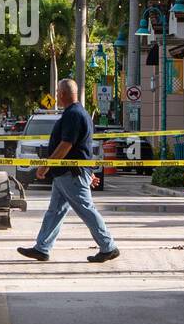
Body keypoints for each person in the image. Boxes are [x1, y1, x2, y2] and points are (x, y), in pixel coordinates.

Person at [17, 79, 119, 263]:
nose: (56, 95)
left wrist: (46, 164)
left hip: (70, 173)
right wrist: (88, 171)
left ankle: (108, 246)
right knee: (55, 211)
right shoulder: (79, 113)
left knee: (86, 209)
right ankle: (42, 248)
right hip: (67, 173)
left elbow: (67, 145)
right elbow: (81, 148)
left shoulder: (73, 114)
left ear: (63, 94)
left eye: (57, 92)